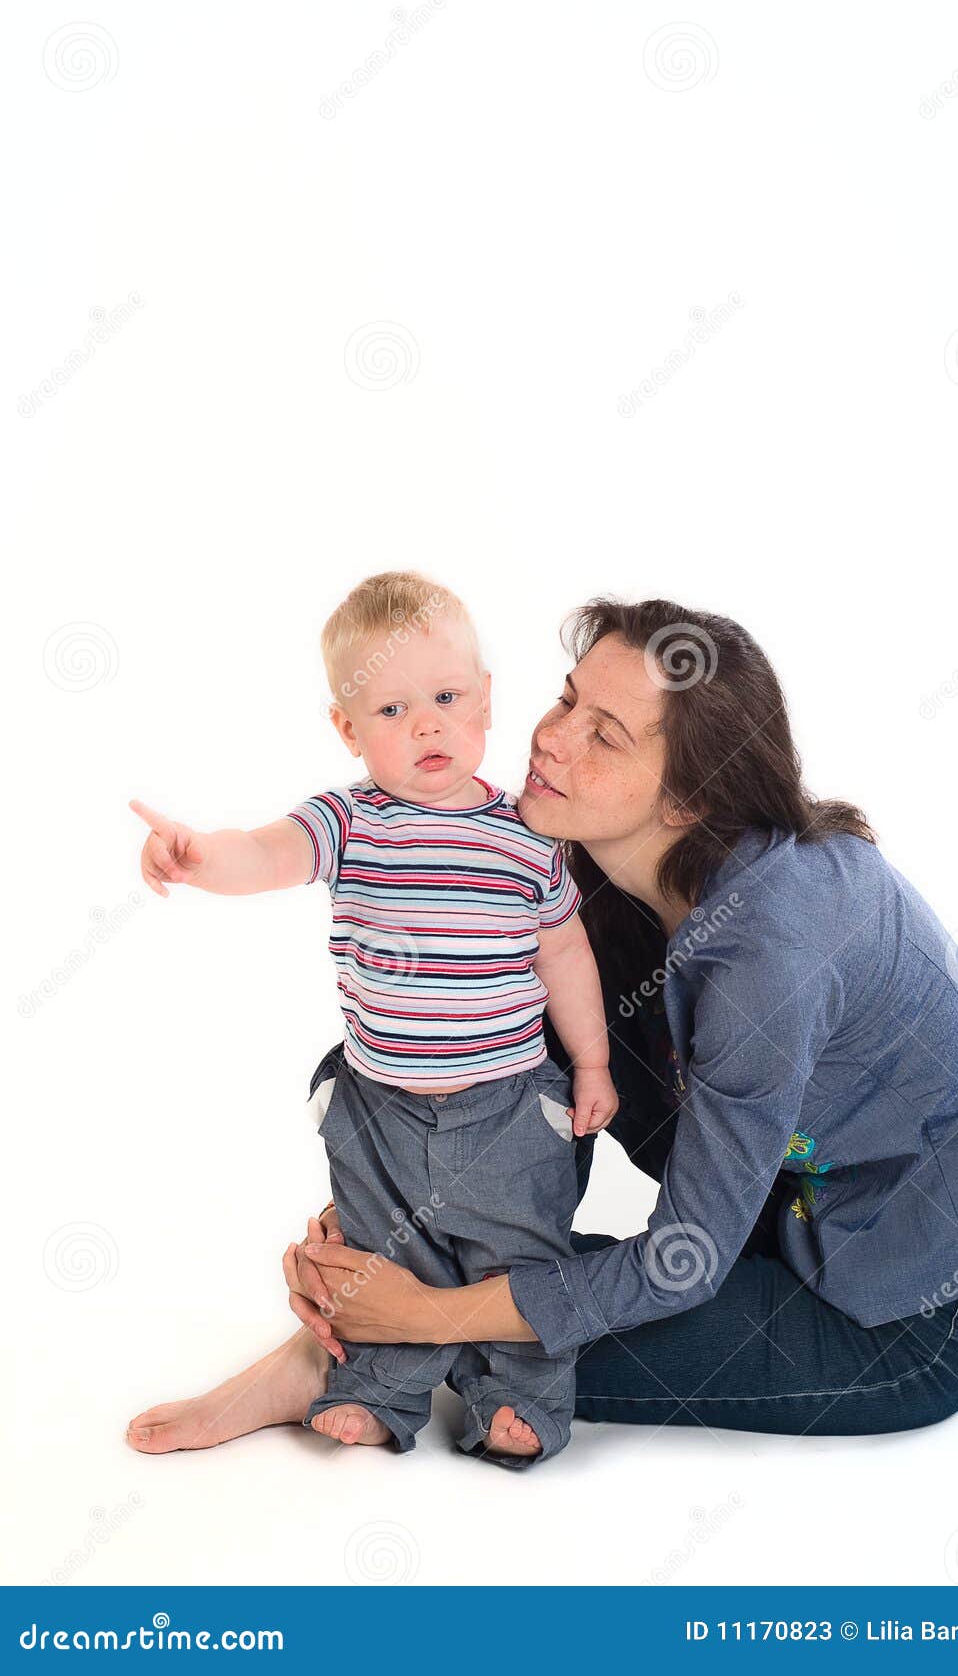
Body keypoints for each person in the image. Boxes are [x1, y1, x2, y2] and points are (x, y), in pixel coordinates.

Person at [127, 596, 958, 1457]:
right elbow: (448, 1040)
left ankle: (350, 1348)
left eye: (602, 734)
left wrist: (419, 1308)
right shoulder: (599, 866)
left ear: (689, 797)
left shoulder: (771, 957)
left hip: (903, 1307)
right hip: (781, 1192)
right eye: (567, 700)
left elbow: (683, 1264)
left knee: (520, 1367)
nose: (552, 739)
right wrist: (383, 1207)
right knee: (496, 1011)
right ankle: (358, 1317)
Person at [128, 572, 617, 1466]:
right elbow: (268, 853)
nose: (427, 724)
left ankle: (521, 1402)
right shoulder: (348, 820)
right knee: (376, 1248)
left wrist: (591, 1064)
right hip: (378, 1103)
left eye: (445, 697)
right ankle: (373, 1392)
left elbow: (566, 956)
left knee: (519, 1250)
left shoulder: (528, 836)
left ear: (486, 703)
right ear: (348, 731)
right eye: (391, 710)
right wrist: (204, 857)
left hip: (507, 1104)